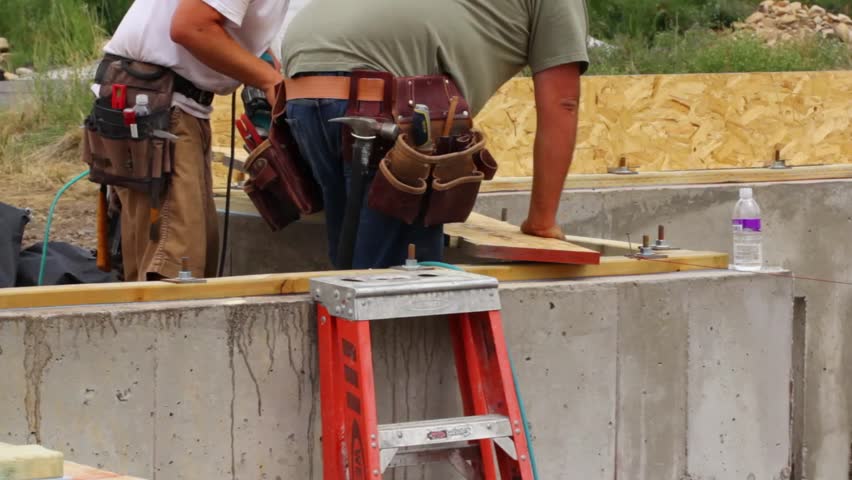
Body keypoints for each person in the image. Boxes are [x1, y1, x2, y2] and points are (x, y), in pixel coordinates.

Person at [280, 0, 589, 270]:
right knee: (396, 286)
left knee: (349, 271)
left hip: (302, 82)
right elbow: (562, 103)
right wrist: (541, 221)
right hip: (383, 99)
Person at [87, 0, 290, 281]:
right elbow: (192, 26)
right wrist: (269, 80)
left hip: (167, 100)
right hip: (161, 103)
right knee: (176, 263)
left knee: (179, 252)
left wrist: (262, 60)